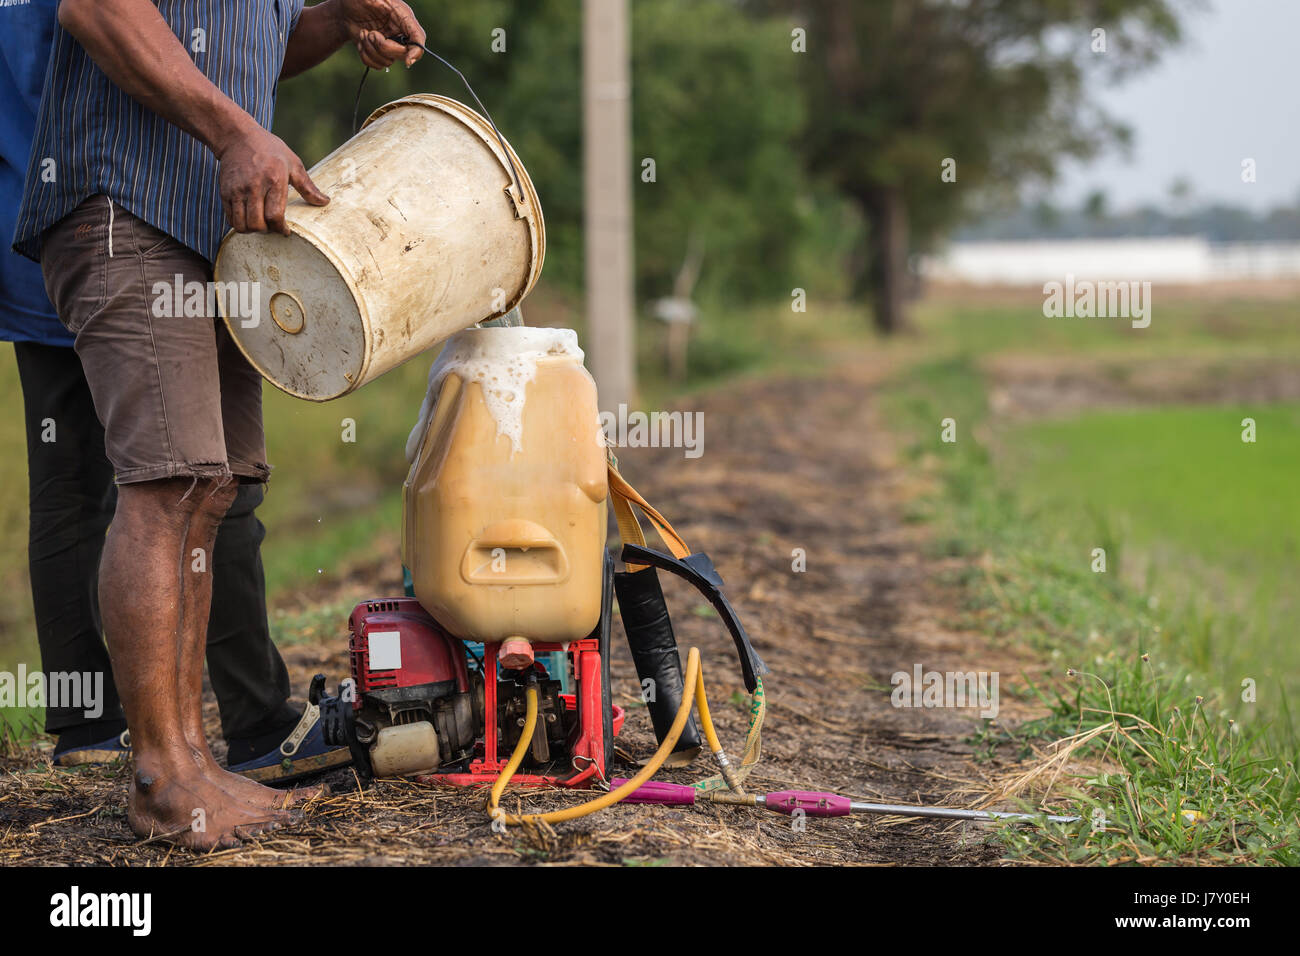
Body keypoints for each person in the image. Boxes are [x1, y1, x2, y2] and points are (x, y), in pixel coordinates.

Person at [11, 0, 425, 849]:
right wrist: (236, 132)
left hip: (217, 226)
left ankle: (194, 760)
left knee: (211, 489)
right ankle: (161, 778)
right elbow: (94, 8)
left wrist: (337, 18)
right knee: (167, 484)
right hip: (126, 203)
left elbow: (247, 53)